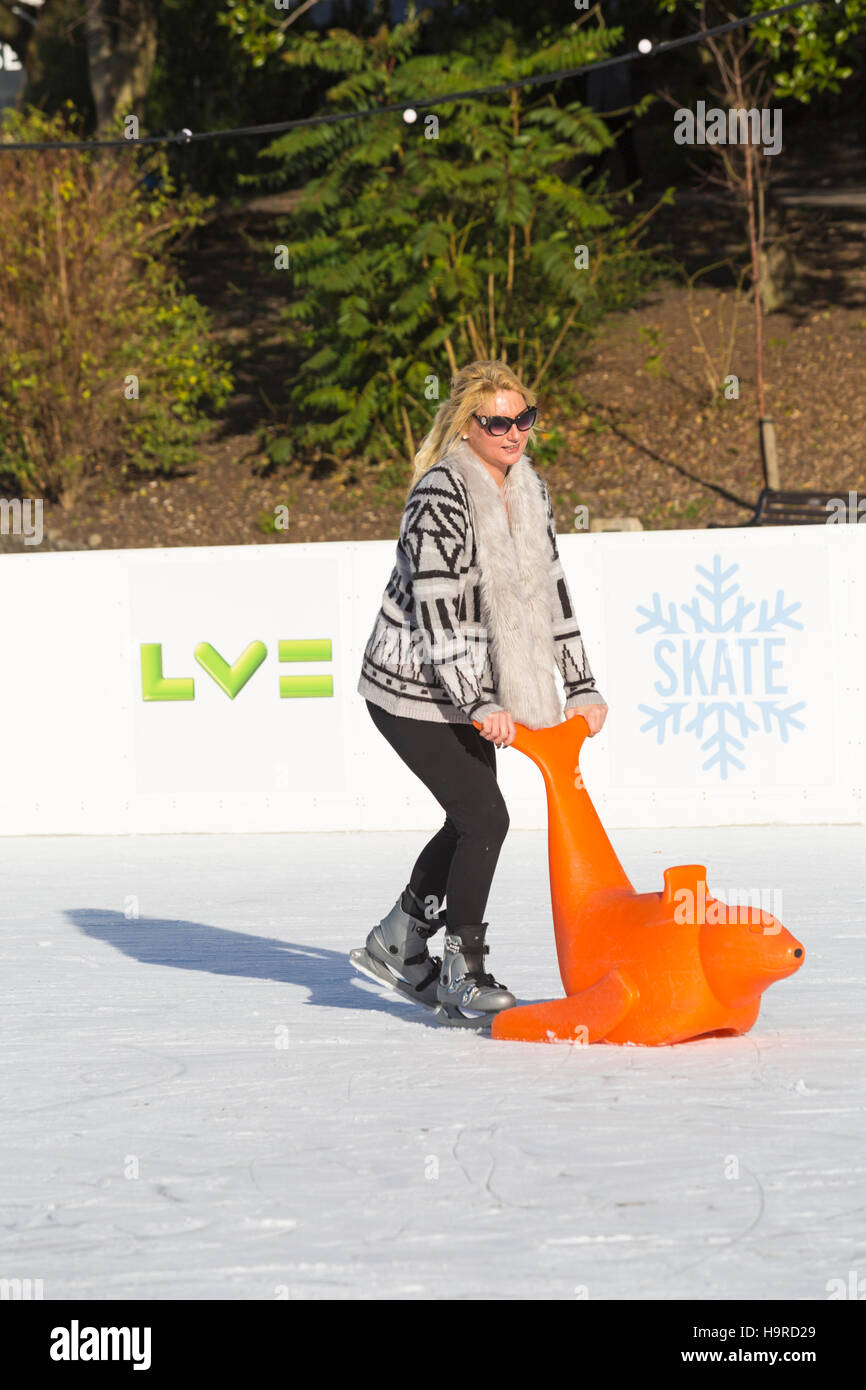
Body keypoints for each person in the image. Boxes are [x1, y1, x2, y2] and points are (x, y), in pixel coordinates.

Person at [356, 359, 608, 1020]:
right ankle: (462, 972)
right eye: (499, 421)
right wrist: (480, 703)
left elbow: (552, 593)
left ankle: (399, 938)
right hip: (410, 688)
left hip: (471, 692)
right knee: (486, 818)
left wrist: (581, 684)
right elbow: (438, 613)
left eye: (525, 418)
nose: (515, 432)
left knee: (470, 818)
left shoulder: (530, 490)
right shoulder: (439, 496)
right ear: (469, 425)